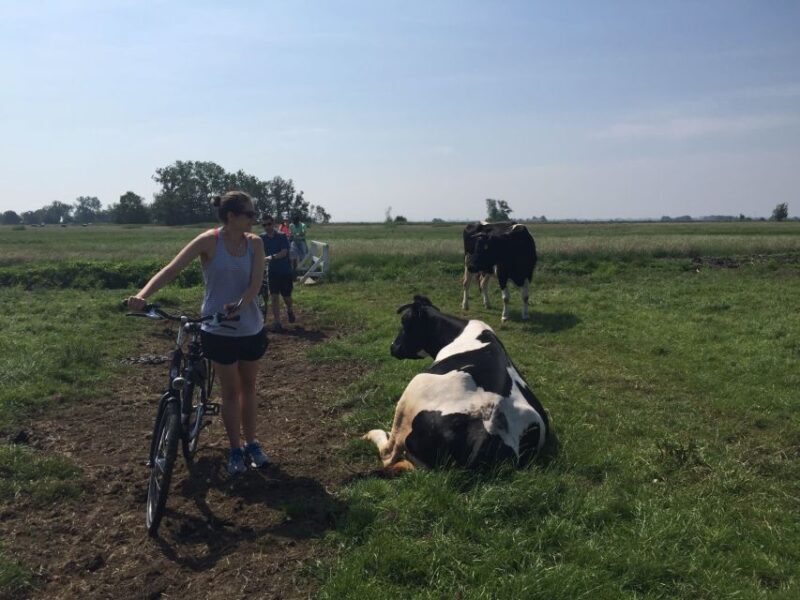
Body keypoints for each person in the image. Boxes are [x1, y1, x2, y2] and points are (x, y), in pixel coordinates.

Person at [126, 191, 270, 476]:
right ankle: (235, 448)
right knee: (230, 392)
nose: (254, 219)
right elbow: (172, 269)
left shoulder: (256, 244)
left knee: (249, 388)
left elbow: (255, 284)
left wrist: (240, 304)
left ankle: (252, 442)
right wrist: (141, 295)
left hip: (250, 327)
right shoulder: (208, 241)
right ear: (232, 217)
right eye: (249, 214)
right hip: (217, 329)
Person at [260, 215, 296, 332]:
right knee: (274, 297)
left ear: (273, 223)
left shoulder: (281, 236)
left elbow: (284, 252)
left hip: (285, 271)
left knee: (287, 297)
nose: (266, 227)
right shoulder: (261, 238)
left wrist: (271, 257)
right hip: (272, 272)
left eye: (268, 224)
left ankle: (289, 309)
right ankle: (277, 322)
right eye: (264, 225)